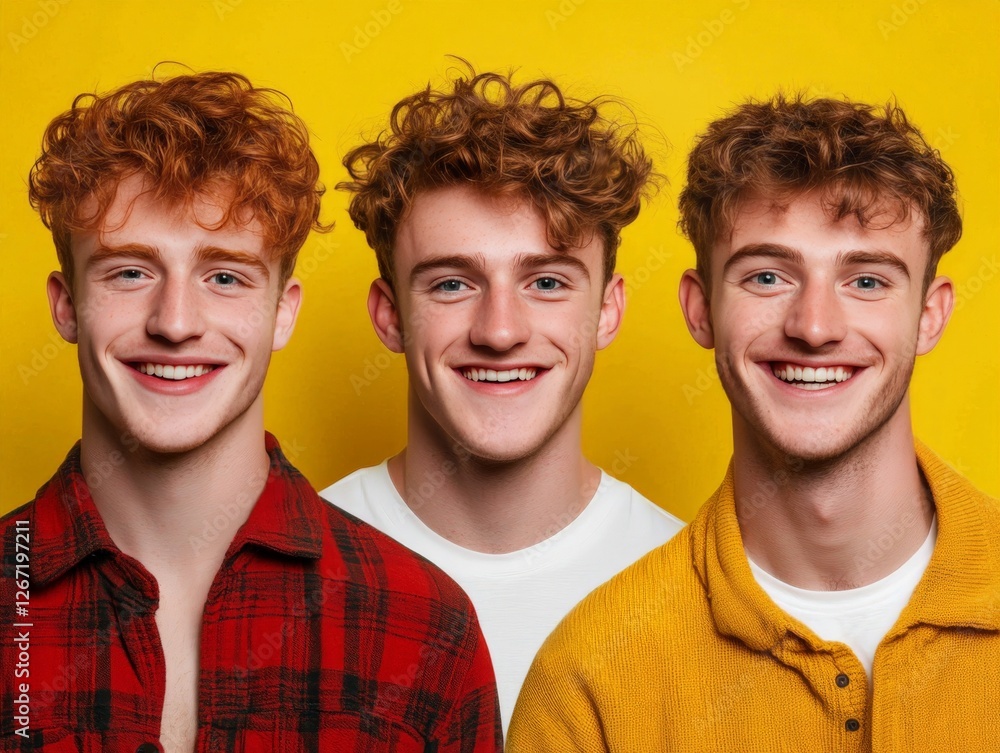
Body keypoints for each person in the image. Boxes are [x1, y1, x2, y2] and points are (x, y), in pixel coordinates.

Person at [0, 70, 500, 752]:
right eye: (130, 272)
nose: (176, 322)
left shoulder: (427, 624)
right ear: (66, 306)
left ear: (282, 313)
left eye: (225, 276)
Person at [508, 95, 1000, 750]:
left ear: (930, 316)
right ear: (701, 309)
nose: (814, 327)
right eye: (768, 276)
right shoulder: (589, 673)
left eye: (867, 281)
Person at [321, 65, 684, 733]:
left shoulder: (690, 585)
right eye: (452, 284)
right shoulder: (293, 572)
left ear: (607, 311)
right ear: (390, 315)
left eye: (546, 283)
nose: (500, 331)